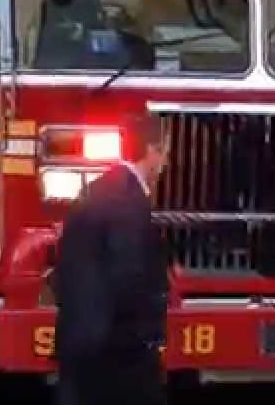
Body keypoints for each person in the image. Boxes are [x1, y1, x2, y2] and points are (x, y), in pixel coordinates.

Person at [53, 114, 171, 405]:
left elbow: (64, 268)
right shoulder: (130, 202)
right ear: (152, 151)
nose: (167, 162)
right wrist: (150, 336)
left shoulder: (96, 188)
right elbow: (129, 276)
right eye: (166, 152)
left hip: (77, 338)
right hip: (114, 351)